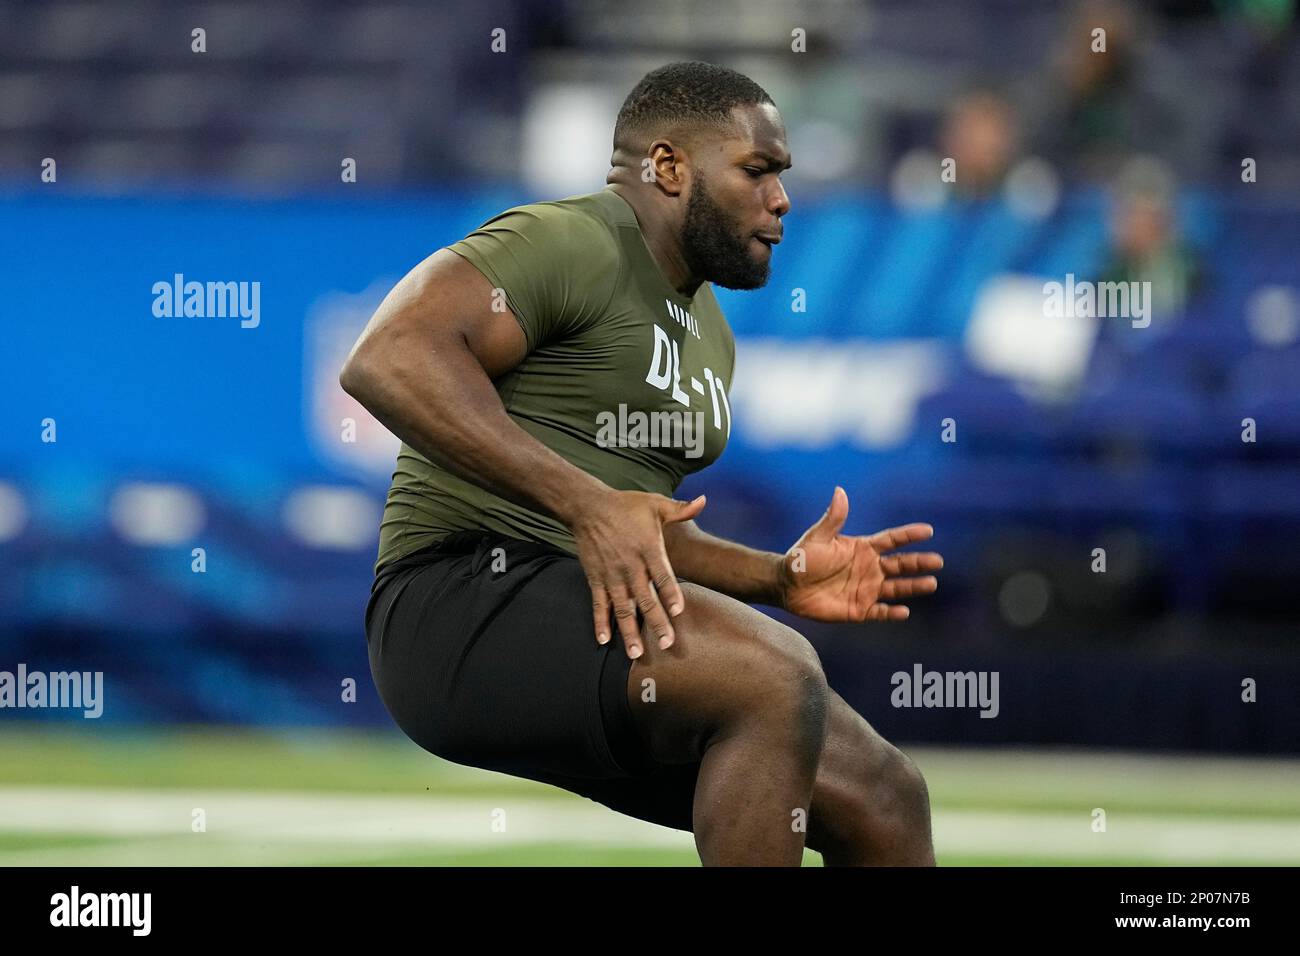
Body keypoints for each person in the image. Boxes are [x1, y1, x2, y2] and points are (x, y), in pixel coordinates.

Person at [340, 61, 943, 866]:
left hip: (590, 603)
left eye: (783, 176)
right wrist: (587, 504)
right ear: (668, 167)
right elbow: (387, 357)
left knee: (885, 796)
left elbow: (632, 526)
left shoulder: (710, 332)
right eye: (757, 171)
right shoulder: (571, 239)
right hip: (451, 603)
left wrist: (775, 578)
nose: (782, 199)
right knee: (771, 676)